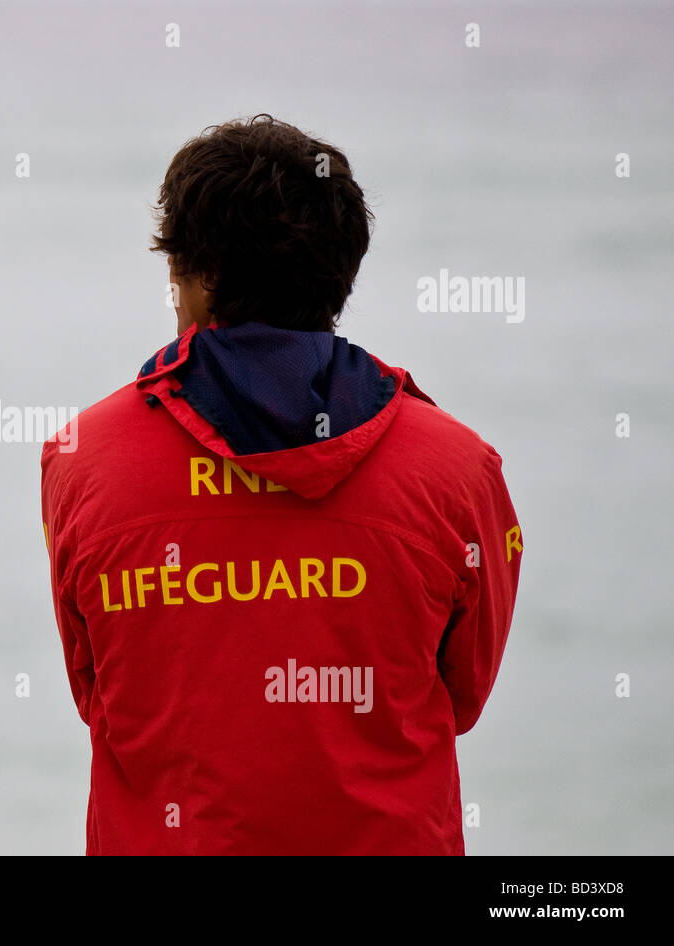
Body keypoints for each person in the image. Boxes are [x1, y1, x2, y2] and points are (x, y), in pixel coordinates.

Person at [39, 114, 523, 855]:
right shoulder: (459, 469)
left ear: (200, 277)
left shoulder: (81, 459)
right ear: (341, 273)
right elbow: (460, 696)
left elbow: (96, 693)